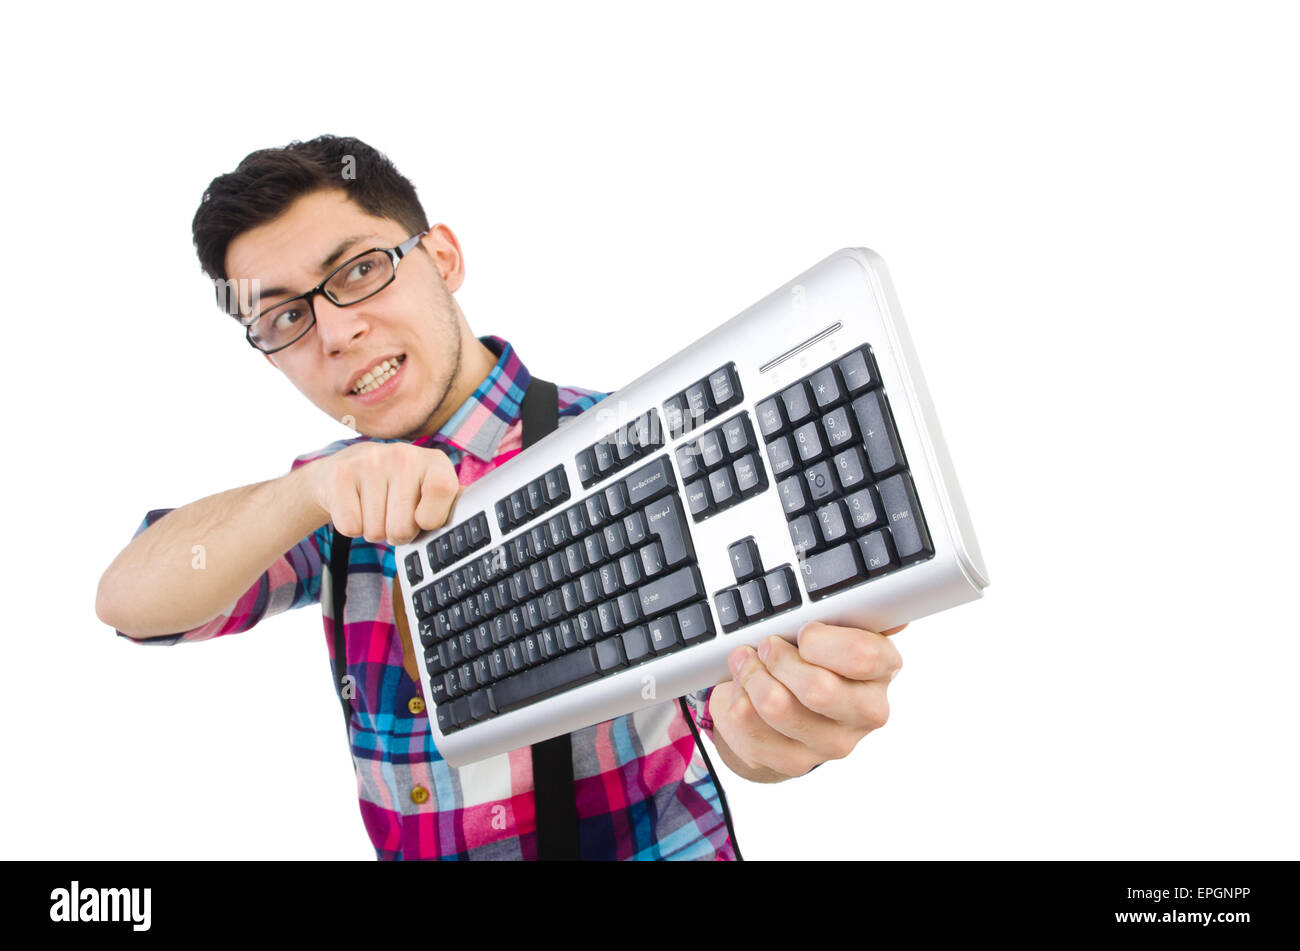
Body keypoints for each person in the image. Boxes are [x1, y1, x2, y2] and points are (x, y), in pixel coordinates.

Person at [95, 135, 906, 860]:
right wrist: (310, 488)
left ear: (442, 257)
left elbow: (736, 700)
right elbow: (133, 600)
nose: (334, 333)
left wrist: (768, 731)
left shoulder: (629, 439)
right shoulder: (326, 503)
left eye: (360, 270)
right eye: (284, 318)